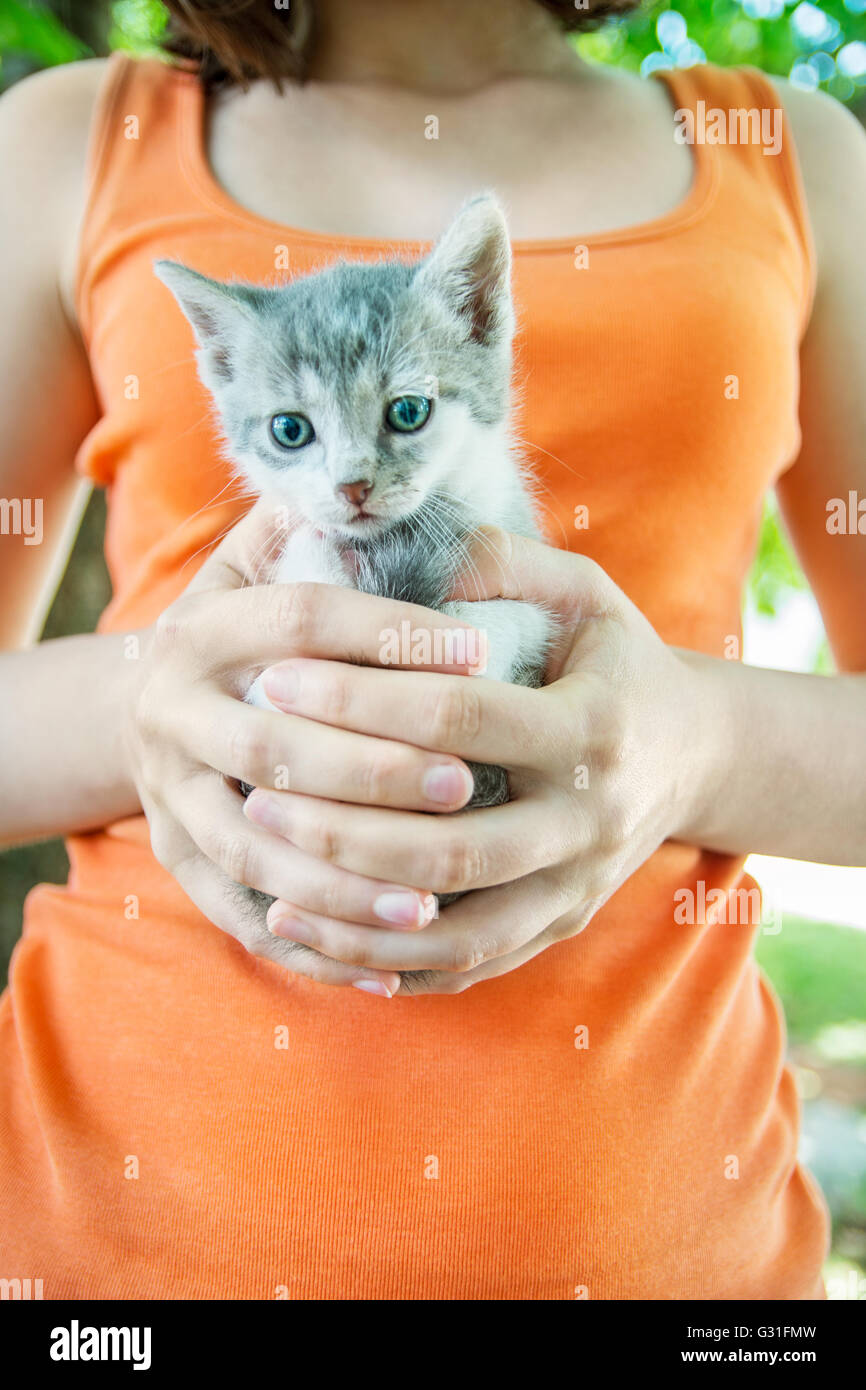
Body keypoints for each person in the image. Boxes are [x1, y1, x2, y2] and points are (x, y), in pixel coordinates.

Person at [0, 0, 863, 1299]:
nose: (352, 483)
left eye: (401, 419)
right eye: (300, 441)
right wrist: (147, 706)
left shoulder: (792, 151)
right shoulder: (77, 137)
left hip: (676, 1249)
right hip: (108, 1253)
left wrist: (698, 742)